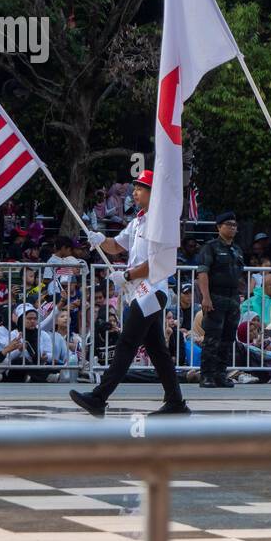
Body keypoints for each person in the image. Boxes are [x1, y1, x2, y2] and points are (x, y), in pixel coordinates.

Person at [71, 169, 190, 417]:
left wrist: (126, 275)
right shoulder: (137, 221)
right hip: (140, 293)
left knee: (127, 343)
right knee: (157, 350)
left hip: (152, 291)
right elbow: (116, 245)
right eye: (135, 188)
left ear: (152, 193)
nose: (134, 192)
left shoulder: (161, 223)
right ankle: (176, 401)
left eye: (140, 188)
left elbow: (156, 263)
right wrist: (100, 238)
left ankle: (99, 397)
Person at [196, 211, 245, 388]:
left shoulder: (237, 249)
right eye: (228, 224)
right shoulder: (210, 247)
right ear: (219, 227)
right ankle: (207, 375)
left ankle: (220, 375)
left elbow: (239, 275)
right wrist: (206, 297)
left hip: (232, 298)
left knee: (228, 338)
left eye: (234, 225)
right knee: (212, 339)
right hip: (215, 296)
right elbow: (203, 272)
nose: (232, 228)